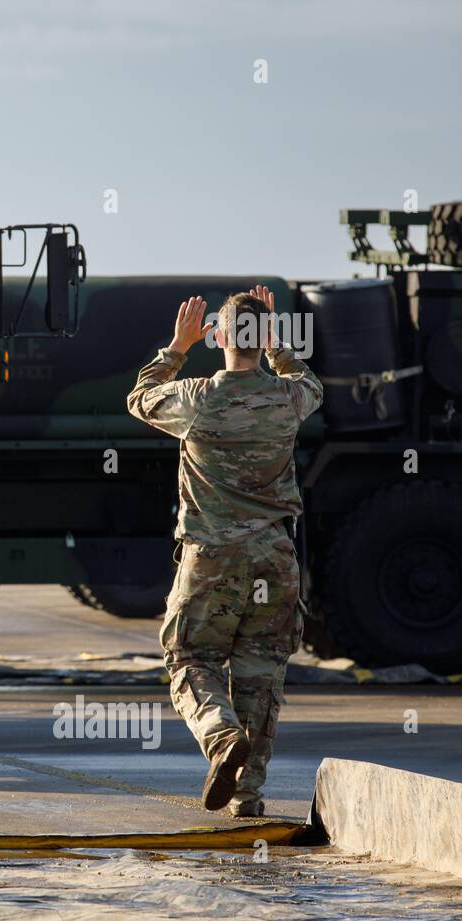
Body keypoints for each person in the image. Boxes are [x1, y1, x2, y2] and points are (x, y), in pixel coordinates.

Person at [126, 285, 323, 816]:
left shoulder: (195, 398)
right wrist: (277, 345)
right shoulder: (287, 399)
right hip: (274, 560)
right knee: (261, 675)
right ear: (262, 339)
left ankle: (219, 735)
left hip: (210, 558)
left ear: (217, 337)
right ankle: (248, 795)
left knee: (191, 658)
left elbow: (139, 399)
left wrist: (177, 346)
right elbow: (309, 383)